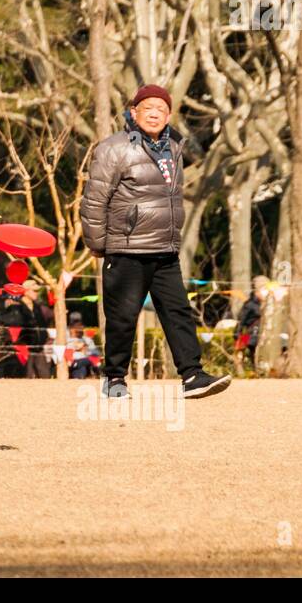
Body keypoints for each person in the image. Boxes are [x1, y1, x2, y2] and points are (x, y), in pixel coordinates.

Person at [80, 85, 231, 399]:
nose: (153, 113)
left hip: (165, 249)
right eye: (147, 107)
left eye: (160, 109)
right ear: (133, 112)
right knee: (123, 317)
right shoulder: (114, 147)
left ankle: (193, 376)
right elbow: (95, 200)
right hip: (126, 248)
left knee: (178, 312)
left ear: (169, 115)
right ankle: (115, 379)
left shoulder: (174, 146)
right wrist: (97, 243)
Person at [0, 277, 54, 377]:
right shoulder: (16, 306)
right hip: (24, 348)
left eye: (37, 291)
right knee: (27, 376)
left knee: (45, 376)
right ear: (25, 291)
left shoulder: (37, 306)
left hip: (39, 347)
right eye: (34, 291)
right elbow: (10, 323)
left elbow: (44, 322)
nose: (37, 293)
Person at [234, 276, 268, 373]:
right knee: (245, 351)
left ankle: (258, 370)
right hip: (249, 333)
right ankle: (248, 371)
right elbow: (242, 319)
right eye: (263, 289)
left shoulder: (269, 303)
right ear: (256, 291)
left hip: (264, 334)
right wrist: (237, 333)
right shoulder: (249, 304)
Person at [66, 311, 101, 379]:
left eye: (80, 324)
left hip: (83, 362)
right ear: (70, 326)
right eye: (74, 324)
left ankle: (78, 377)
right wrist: (75, 347)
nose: (78, 327)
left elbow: (95, 353)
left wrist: (85, 348)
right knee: (89, 361)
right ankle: (97, 368)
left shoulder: (86, 339)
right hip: (72, 362)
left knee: (82, 369)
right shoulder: (65, 337)